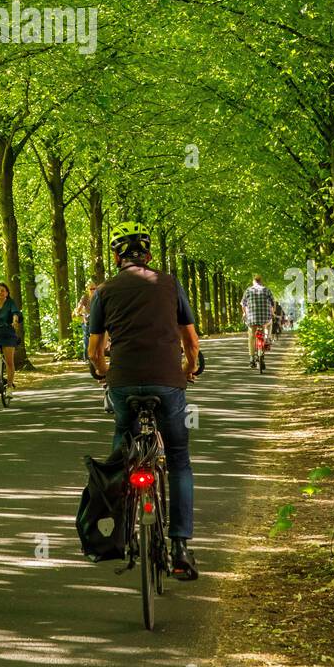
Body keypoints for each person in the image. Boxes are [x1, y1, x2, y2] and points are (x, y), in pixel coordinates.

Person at [87, 221, 201, 582]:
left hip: (123, 385)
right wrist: (189, 368)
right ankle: (180, 546)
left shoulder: (103, 292)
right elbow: (191, 342)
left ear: (116, 256)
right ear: (148, 255)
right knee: (179, 458)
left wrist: (105, 374)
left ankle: (116, 534)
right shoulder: (169, 284)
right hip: (167, 383)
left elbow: (93, 351)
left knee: (121, 453)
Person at [241, 274, 277, 367]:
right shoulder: (267, 290)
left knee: (251, 336)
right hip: (265, 318)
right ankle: (268, 338)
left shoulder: (248, 290)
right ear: (261, 282)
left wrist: (245, 313)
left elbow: (243, 304)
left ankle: (252, 358)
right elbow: (273, 303)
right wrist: (272, 312)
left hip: (252, 318)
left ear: (253, 282)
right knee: (269, 323)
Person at [74, 278, 99, 363]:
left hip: (96, 320)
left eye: (94, 288)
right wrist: (79, 313)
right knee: (87, 338)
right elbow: (78, 309)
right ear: (87, 289)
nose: (92, 290)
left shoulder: (98, 297)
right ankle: (87, 358)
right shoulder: (85, 297)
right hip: (87, 321)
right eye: (90, 289)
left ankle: (97, 356)